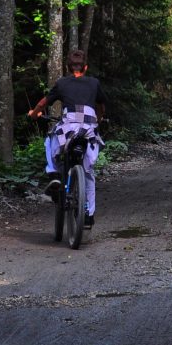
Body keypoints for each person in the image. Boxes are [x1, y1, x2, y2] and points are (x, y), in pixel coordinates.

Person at [28, 49, 106, 228]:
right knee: (88, 172)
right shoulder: (94, 83)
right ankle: (89, 214)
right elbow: (101, 106)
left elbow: (43, 103)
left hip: (68, 129)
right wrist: (99, 119)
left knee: (50, 140)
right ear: (85, 67)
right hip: (88, 130)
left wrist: (34, 114)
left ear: (68, 67)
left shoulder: (62, 83)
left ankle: (54, 174)